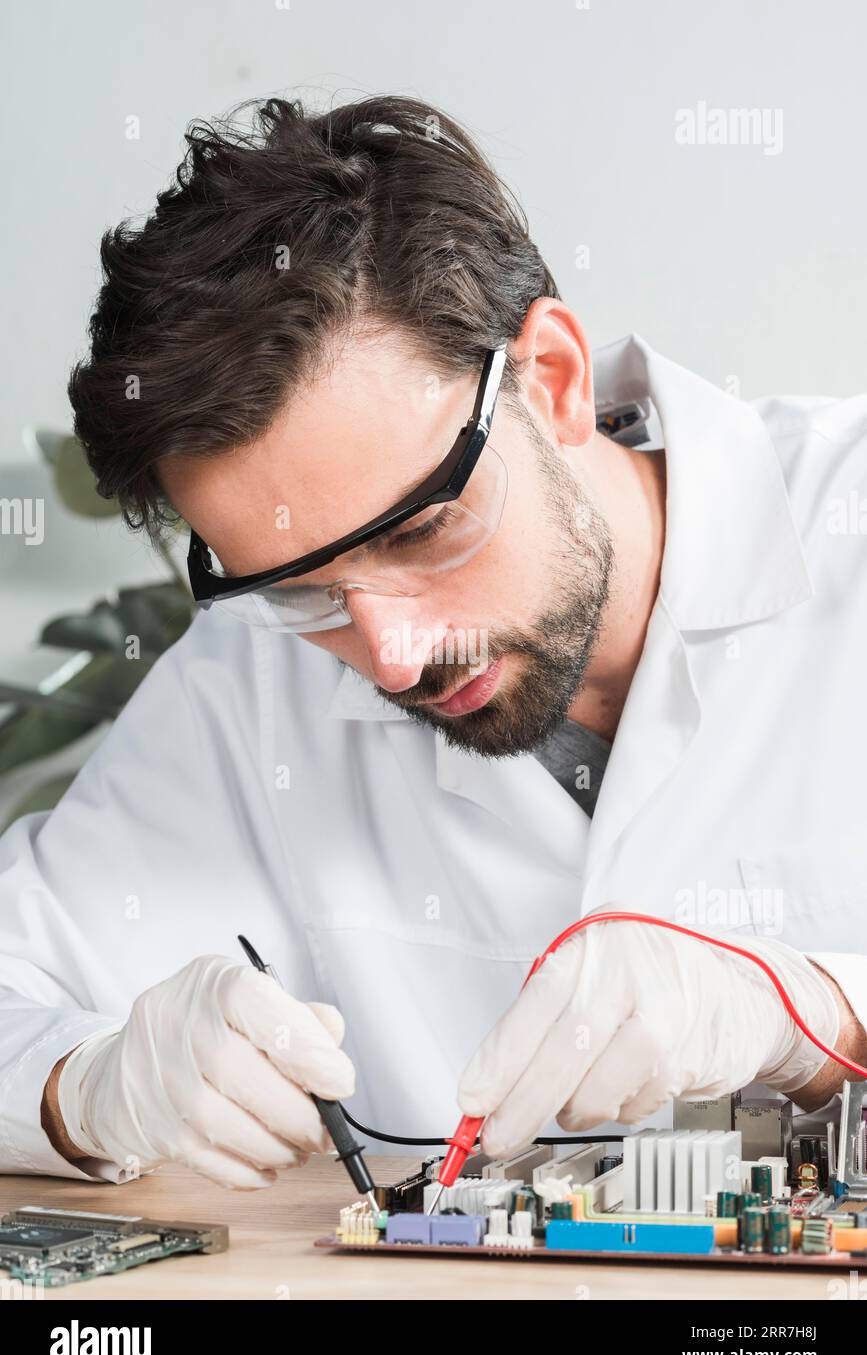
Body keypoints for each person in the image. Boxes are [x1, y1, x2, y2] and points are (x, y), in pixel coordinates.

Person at [1, 95, 865, 1191]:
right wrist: (77, 1088)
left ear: (553, 379)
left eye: (423, 528)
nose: (395, 655)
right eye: (303, 589)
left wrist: (816, 1014)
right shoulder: (248, 683)